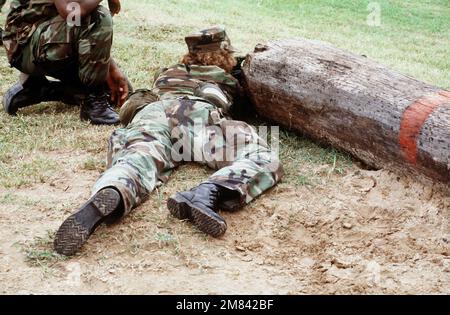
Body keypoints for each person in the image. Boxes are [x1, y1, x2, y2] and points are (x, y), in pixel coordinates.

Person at [54, 27, 284, 256]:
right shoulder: (225, 77)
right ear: (225, 55)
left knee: (136, 159)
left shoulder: (167, 73)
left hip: (153, 113)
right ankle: (208, 193)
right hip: (196, 115)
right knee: (261, 157)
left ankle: (114, 188)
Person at [1, 0, 130, 125]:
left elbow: (81, 26)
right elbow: (71, 12)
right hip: (24, 46)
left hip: (49, 35)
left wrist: (111, 68)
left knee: (114, 93)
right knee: (98, 16)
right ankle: (94, 103)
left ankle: (41, 89)